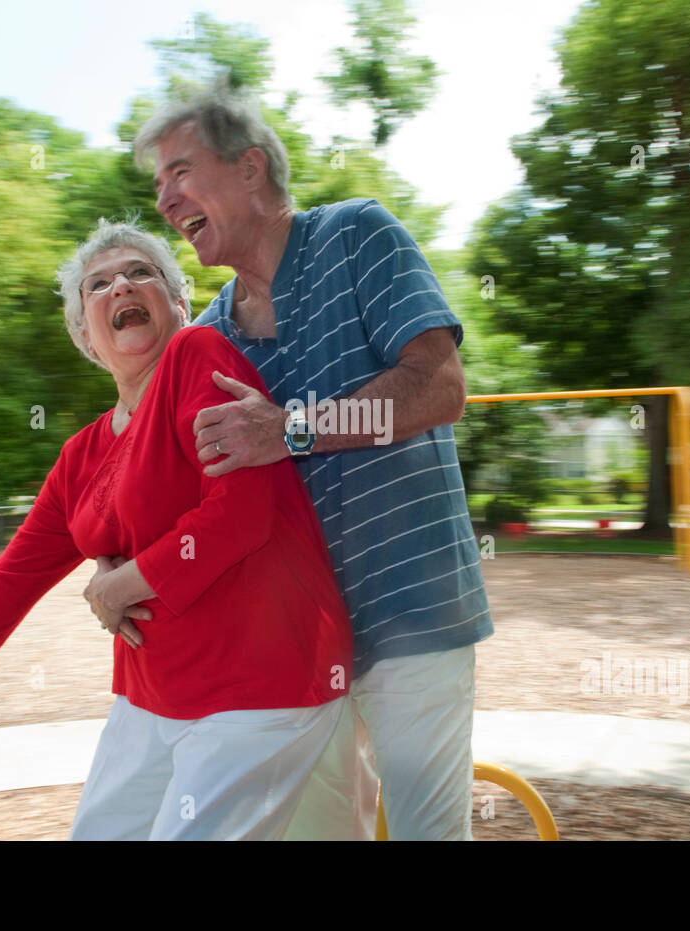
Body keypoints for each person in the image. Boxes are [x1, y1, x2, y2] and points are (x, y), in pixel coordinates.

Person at [0, 221, 353, 841]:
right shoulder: (82, 454)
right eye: (99, 284)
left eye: (141, 272)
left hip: (262, 683)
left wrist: (120, 583)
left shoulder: (195, 356)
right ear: (85, 336)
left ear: (178, 306)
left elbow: (240, 515)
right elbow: (3, 584)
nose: (121, 284)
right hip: (149, 693)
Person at [125, 83, 494, 840]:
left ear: (251, 168)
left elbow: (440, 387)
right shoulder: (210, 329)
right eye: (157, 186)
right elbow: (176, 490)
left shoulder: (357, 235)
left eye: (180, 173)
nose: (166, 200)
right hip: (295, 658)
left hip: (413, 616)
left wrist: (288, 429)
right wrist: (117, 568)